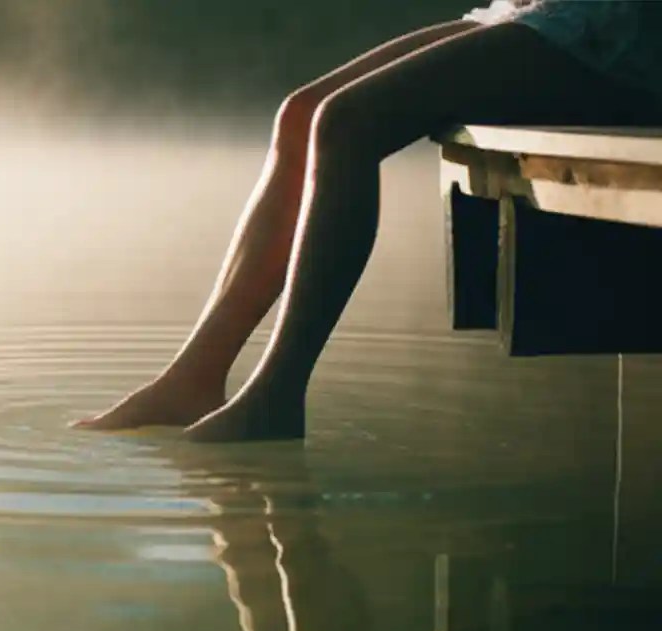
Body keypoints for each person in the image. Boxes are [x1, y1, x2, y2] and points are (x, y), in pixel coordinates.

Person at [74, 0, 662, 442]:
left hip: (623, 31)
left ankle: (277, 395)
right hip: (555, 10)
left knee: (348, 123)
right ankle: (194, 378)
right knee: (301, 114)